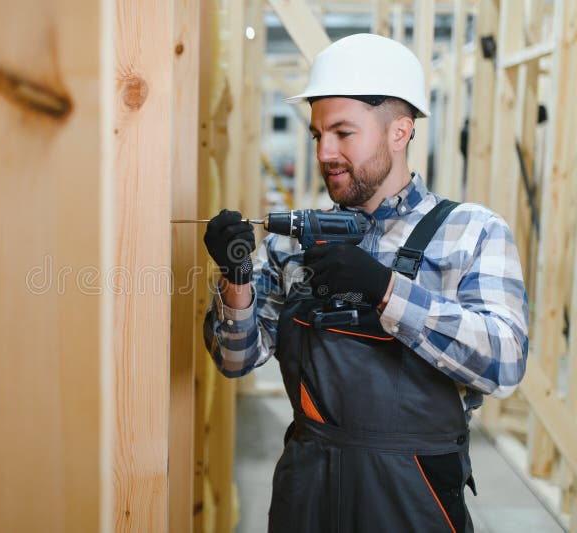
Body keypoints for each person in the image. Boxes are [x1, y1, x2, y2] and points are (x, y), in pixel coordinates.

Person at [202, 33, 528, 533]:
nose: (325, 151)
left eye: (343, 133)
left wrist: (386, 290)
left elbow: (504, 363)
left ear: (400, 131)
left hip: (413, 493)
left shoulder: (471, 231)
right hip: (307, 487)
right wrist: (238, 279)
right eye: (317, 135)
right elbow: (236, 360)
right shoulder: (296, 242)